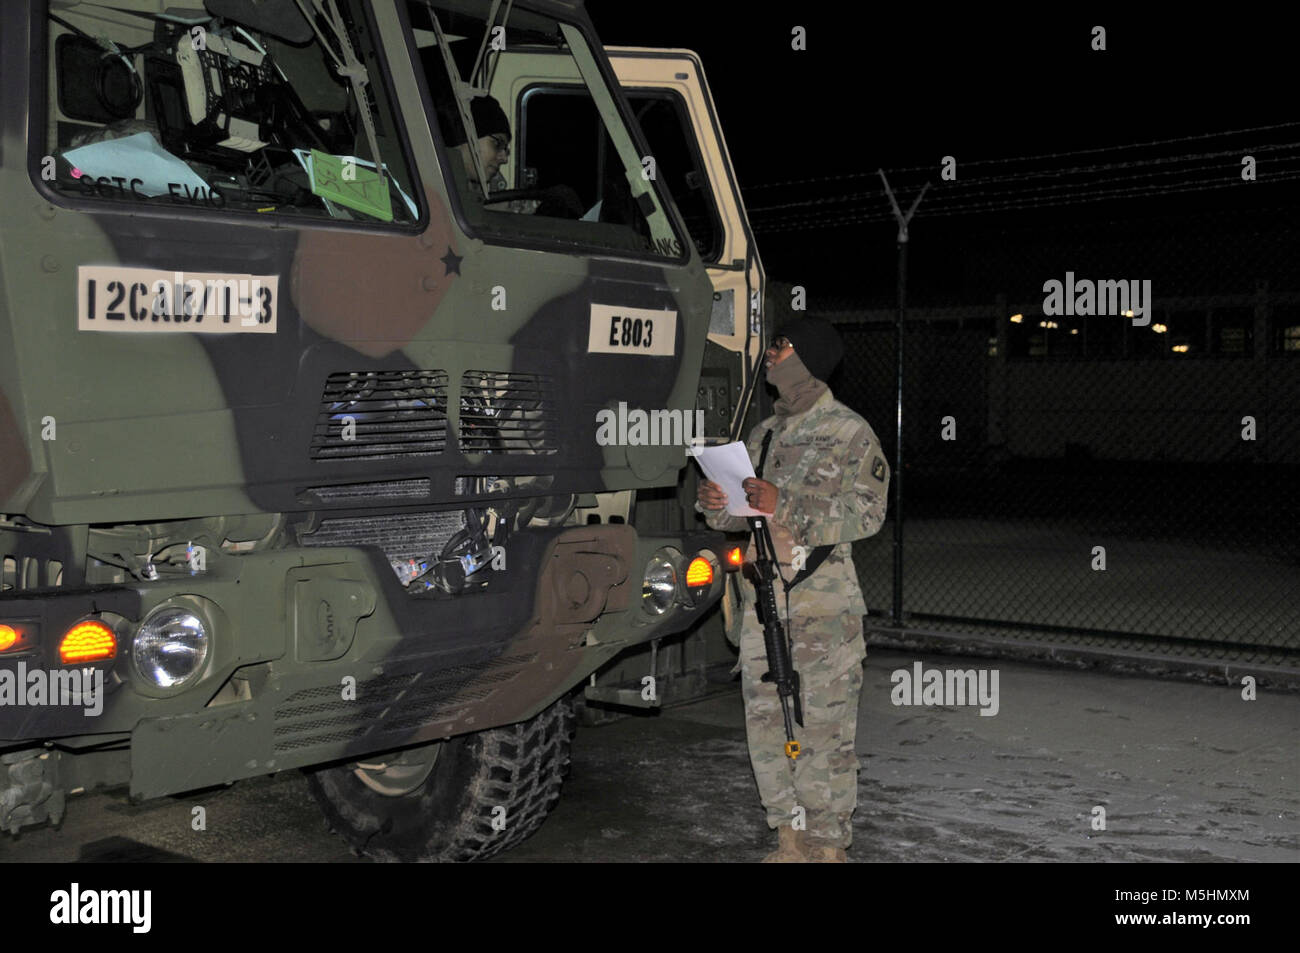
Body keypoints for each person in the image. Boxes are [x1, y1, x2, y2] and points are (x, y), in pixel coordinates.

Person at [696, 318, 890, 863]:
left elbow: (870, 513)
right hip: (763, 605)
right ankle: (788, 839)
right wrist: (718, 507)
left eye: (781, 346)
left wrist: (787, 505)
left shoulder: (850, 430)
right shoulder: (764, 433)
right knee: (766, 727)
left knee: (823, 731)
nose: (771, 355)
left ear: (807, 357)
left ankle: (828, 847)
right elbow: (742, 518)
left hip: (822, 606)